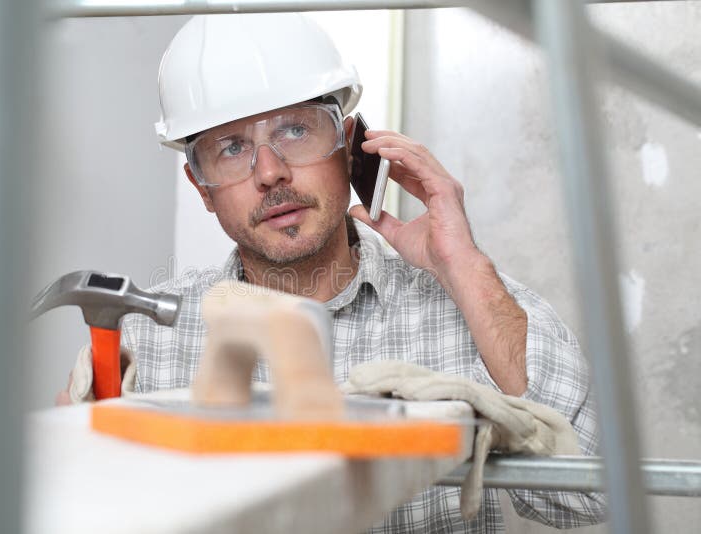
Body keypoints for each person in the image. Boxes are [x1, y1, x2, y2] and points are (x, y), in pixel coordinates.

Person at [61, 13, 606, 533]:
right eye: (231, 147)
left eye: (297, 130)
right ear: (201, 187)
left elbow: (589, 493)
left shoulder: (460, 309)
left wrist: (463, 266)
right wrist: (73, 450)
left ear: (348, 147)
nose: (271, 172)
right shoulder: (150, 337)